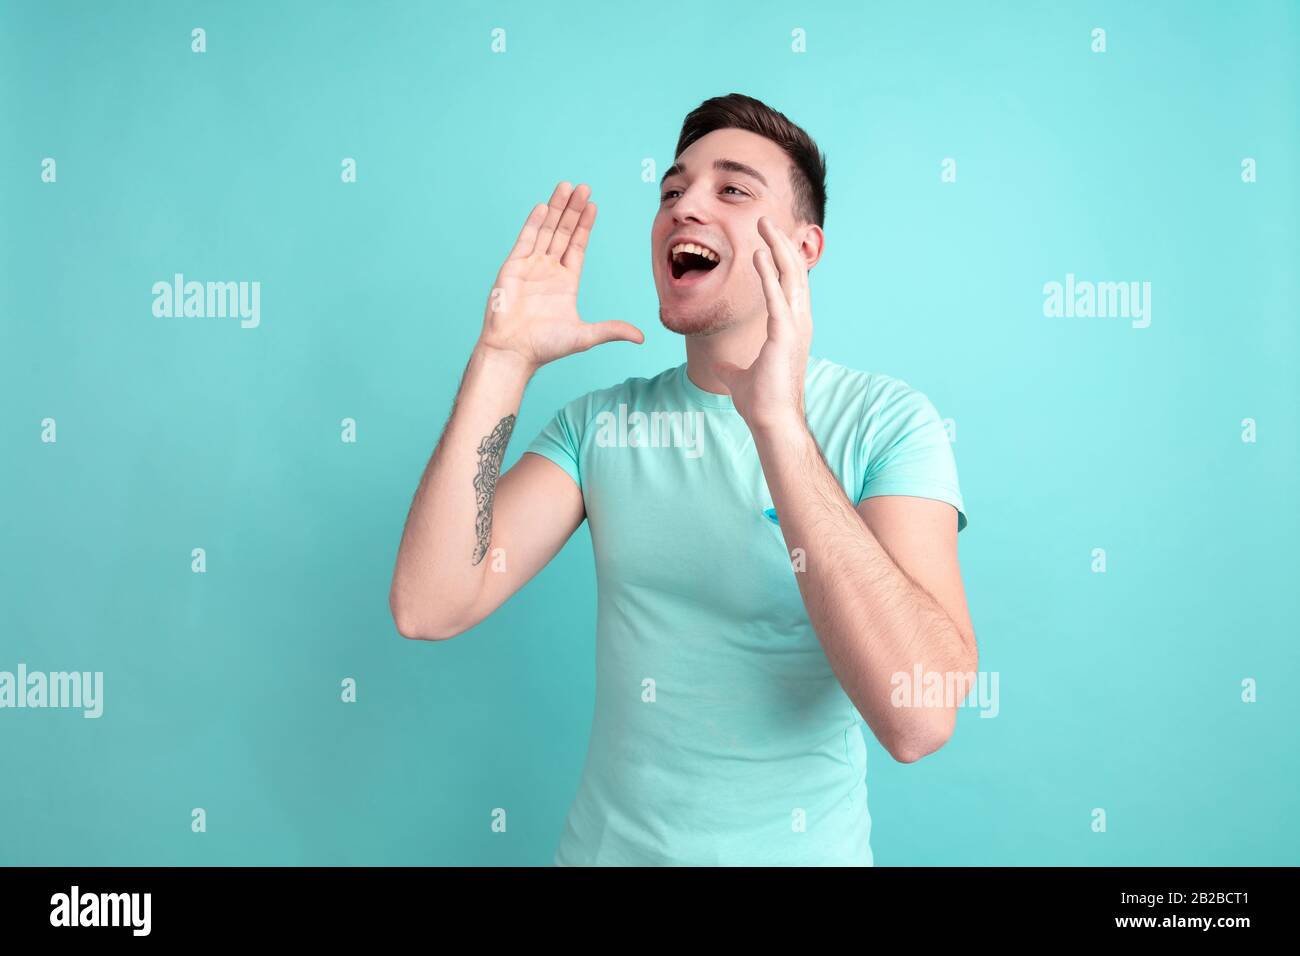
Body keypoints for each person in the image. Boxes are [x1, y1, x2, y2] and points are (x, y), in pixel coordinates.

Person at [389, 93, 978, 866]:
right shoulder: (601, 427)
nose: (684, 208)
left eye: (732, 189)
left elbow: (919, 719)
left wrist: (776, 424)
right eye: (672, 191)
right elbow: (429, 605)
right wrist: (503, 359)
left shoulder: (889, 421)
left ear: (805, 247)